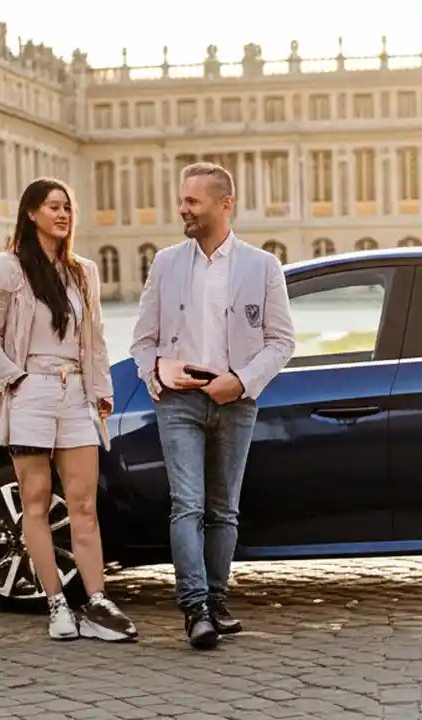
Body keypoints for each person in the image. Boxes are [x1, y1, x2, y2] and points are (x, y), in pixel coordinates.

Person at [130, 162, 295, 649]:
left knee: (224, 510)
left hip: (235, 400)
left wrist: (241, 381)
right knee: (187, 505)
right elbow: (142, 341)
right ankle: (195, 608)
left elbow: (282, 341)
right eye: (182, 200)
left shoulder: (263, 266)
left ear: (225, 204)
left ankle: (217, 602)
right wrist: (156, 371)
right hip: (180, 401)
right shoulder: (165, 263)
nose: (183, 208)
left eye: (192, 201)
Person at [0, 177, 137, 643]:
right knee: (37, 503)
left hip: (76, 393)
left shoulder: (82, 271)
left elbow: (97, 339)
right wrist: (16, 380)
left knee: (84, 504)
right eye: (52, 207)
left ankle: (98, 601)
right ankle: (57, 603)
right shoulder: (6, 269)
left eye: (67, 207)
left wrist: (100, 390)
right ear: (31, 213)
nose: (63, 215)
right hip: (31, 391)